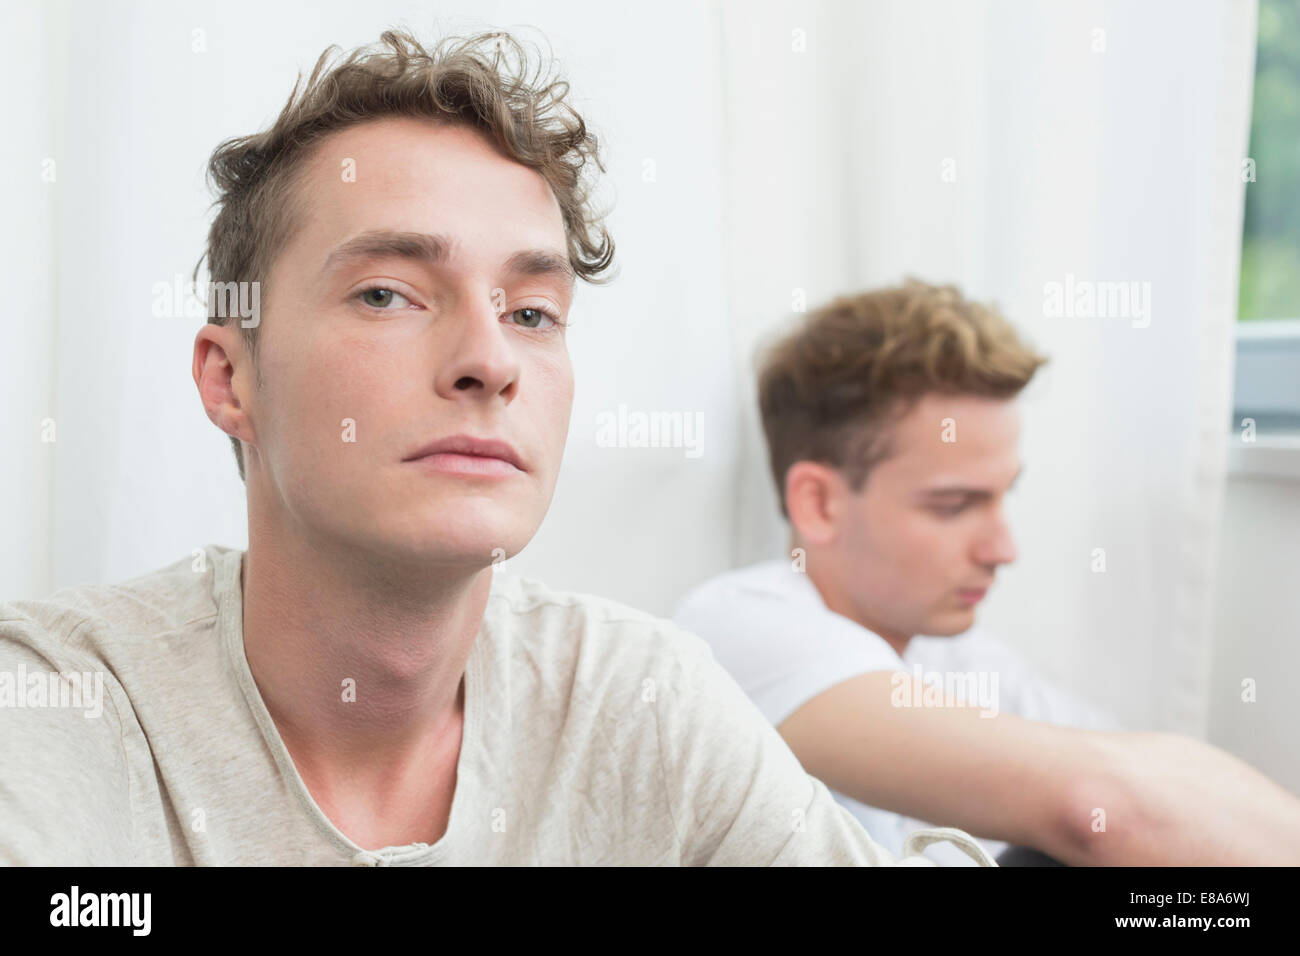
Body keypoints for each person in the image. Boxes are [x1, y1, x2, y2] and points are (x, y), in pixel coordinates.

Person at [0, 31, 991, 867]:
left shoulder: (636, 701)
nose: (488, 360)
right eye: (387, 293)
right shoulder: (66, 696)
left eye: (530, 310)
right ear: (230, 378)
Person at [675, 279, 1300, 866]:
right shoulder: (735, 632)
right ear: (818, 503)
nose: (1004, 549)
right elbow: (1102, 808)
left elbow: (1162, 789)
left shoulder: (968, 665)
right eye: (954, 505)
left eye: (1004, 497)